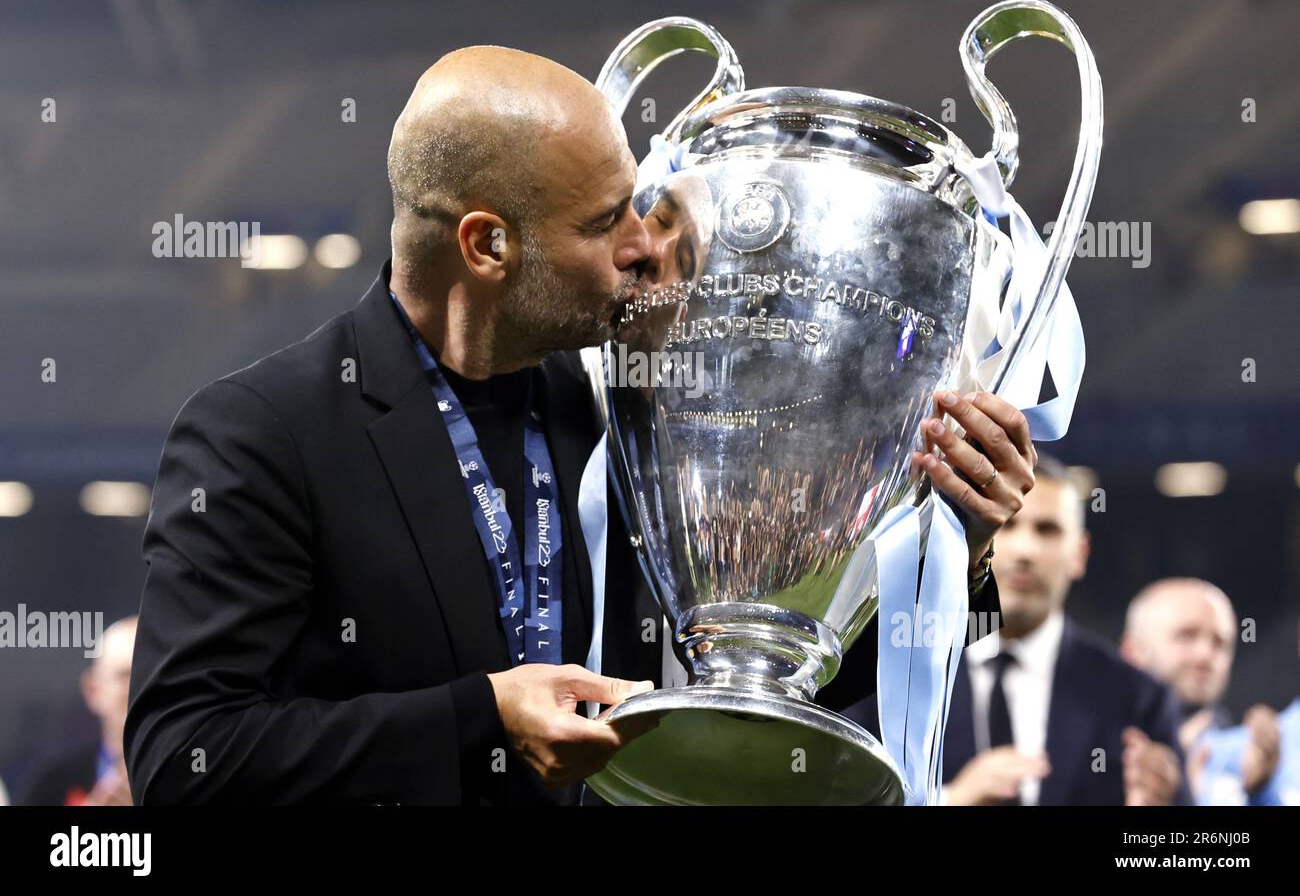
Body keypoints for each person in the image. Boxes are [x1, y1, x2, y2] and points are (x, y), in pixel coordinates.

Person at [126, 45, 1032, 805]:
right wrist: (482, 721)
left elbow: (755, 683)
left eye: (634, 203)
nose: (641, 244)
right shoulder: (262, 433)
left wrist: (960, 551)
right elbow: (185, 753)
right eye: (603, 224)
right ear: (487, 247)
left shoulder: (621, 410)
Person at [850, 456, 1190, 805]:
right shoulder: (887, 679)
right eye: (1008, 526)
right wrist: (951, 800)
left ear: (1080, 553)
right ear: (971, 539)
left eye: (1048, 530)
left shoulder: (1138, 697)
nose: (1026, 550)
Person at [1122, 579, 1286, 805]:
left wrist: (1261, 794)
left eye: (1220, 643)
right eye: (1186, 636)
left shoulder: (1245, 758)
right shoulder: (1090, 749)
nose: (1205, 656)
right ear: (1132, 651)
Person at [20, 617, 136, 806]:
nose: (138, 689)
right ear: (93, 689)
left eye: (148, 678)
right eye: (125, 676)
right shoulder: (52, 784)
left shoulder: (192, 775)